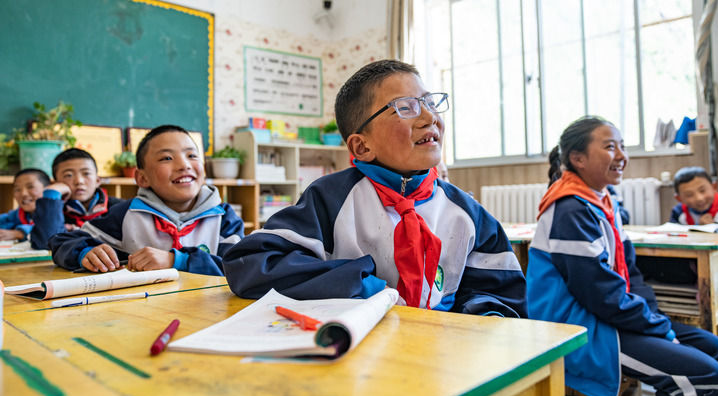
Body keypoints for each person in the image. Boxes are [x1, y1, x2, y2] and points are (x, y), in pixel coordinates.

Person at [222, 59, 527, 317]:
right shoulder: (331, 199)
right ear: (362, 147)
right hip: (360, 341)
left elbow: (500, 295)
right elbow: (251, 264)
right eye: (405, 107)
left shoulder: (467, 213)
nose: (429, 117)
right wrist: (363, 286)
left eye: (430, 103)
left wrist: (473, 324)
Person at [526, 116, 718, 396]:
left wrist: (654, 320)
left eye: (622, 146)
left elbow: (631, 272)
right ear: (578, 159)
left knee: (714, 348)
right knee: (705, 378)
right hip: (583, 329)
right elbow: (600, 294)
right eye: (609, 147)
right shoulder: (570, 208)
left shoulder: (604, 202)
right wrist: (658, 328)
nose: (621, 156)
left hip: (609, 318)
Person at [48, 125, 244, 276]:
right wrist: (84, 252)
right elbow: (62, 242)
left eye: (192, 155)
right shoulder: (128, 214)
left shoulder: (223, 216)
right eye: (167, 158)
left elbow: (240, 267)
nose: (184, 165)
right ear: (142, 178)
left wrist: (177, 261)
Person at [30, 148, 123, 249]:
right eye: (68, 175)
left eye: (86, 173)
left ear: (97, 180)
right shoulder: (51, 211)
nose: (79, 181)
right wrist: (52, 194)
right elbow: (47, 243)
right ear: (56, 183)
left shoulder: (119, 208)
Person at [0, 168, 51, 241]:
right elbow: (4, 219)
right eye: (17, 189)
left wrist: (20, 233)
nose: (23, 194)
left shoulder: (58, 213)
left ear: (48, 189)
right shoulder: (19, 214)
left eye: (30, 187)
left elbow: (51, 229)